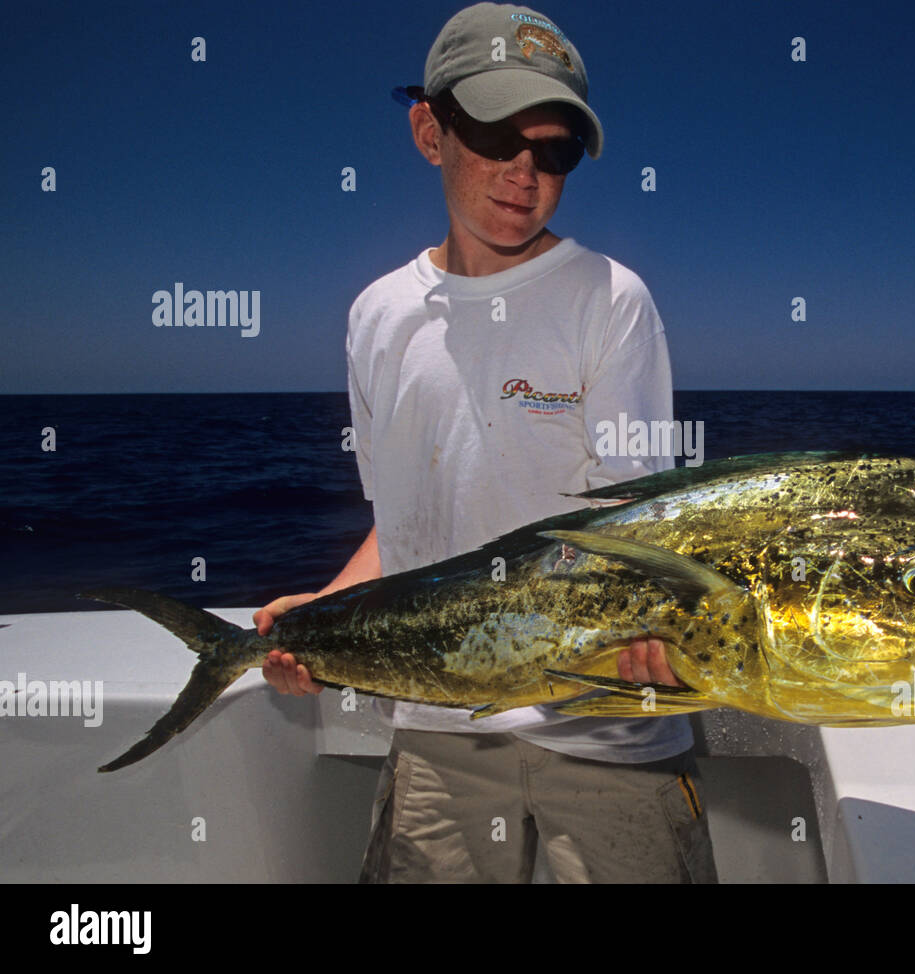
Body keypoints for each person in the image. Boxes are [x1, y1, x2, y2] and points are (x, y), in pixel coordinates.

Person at [253, 2, 717, 884]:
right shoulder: (376, 316)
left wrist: (667, 641)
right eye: (499, 134)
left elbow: (638, 535)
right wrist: (326, 604)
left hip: (608, 730)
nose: (524, 172)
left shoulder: (611, 300)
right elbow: (402, 524)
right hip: (436, 731)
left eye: (555, 152)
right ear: (431, 130)